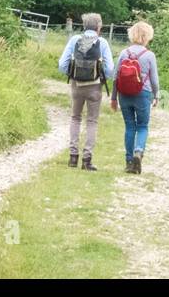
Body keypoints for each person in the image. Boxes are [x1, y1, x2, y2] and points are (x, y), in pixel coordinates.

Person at [58, 12, 114, 171]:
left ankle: (73, 157)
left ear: (84, 26)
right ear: (99, 27)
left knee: (75, 118)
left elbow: (62, 64)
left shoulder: (75, 39)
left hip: (76, 85)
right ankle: (87, 159)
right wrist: (103, 78)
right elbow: (110, 69)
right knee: (92, 121)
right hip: (95, 87)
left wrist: (72, 75)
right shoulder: (102, 42)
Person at [110, 21, 160, 175]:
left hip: (124, 94)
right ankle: (139, 151)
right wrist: (156, 95)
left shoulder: (124, 53)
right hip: (143, 94)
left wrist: (113, 98)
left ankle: (129, 161)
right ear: (147, 36)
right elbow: (154, 80)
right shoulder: (149, 55)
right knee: (143, 126)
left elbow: (115, 77)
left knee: (130, 126)